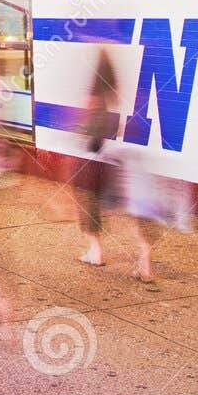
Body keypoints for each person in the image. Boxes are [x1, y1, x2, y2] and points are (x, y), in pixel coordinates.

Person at [76, 47, 120, 269]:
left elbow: (91, 141)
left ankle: (95, 251)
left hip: (92, 158)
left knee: (87, 199)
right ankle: (95, 249)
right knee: (95, 200)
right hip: (105, 158)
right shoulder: (109, 102)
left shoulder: (96, 108)